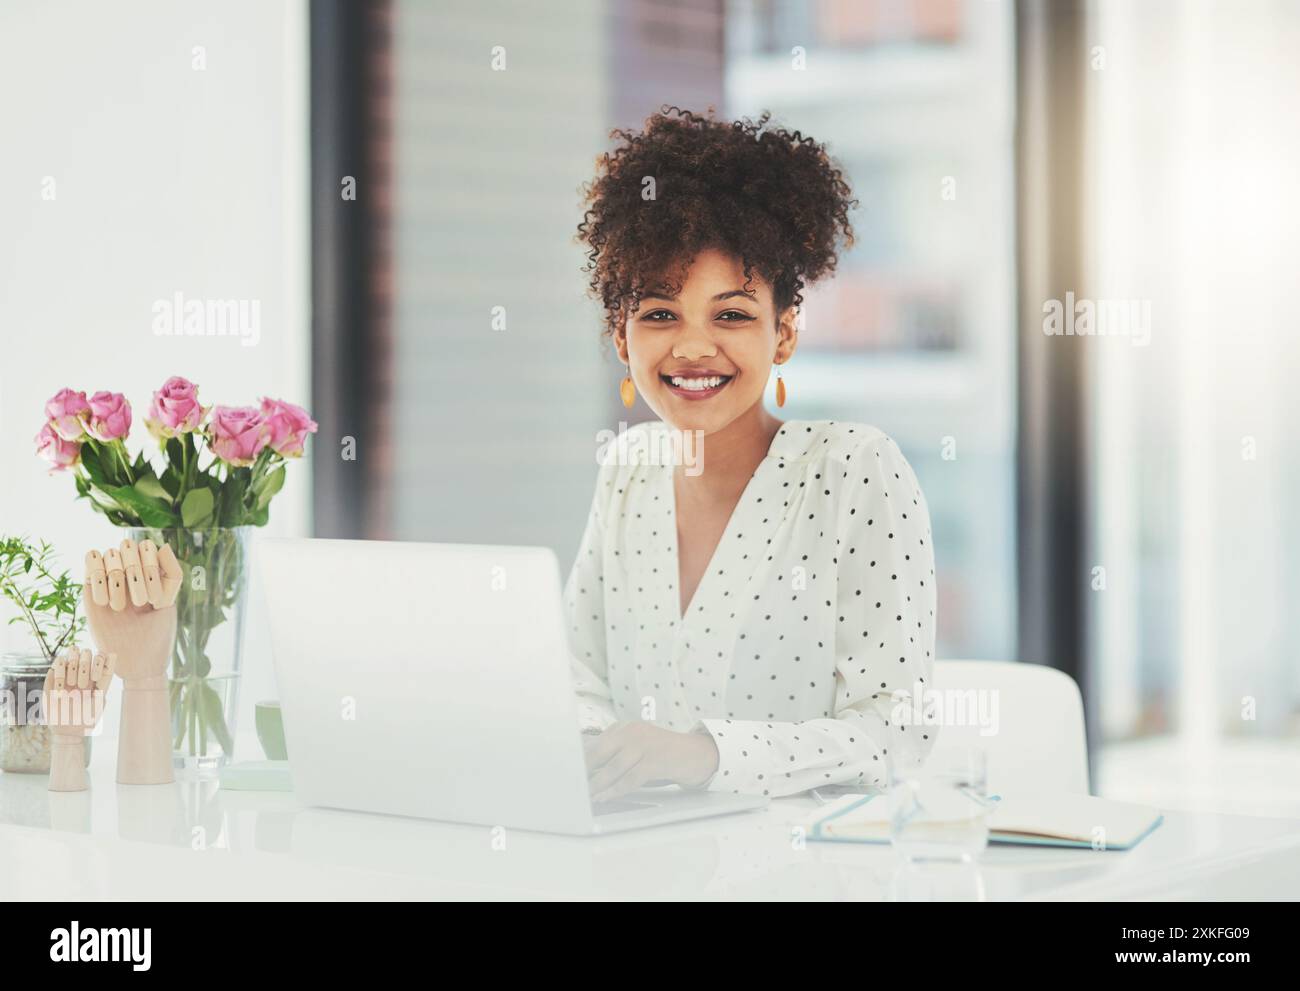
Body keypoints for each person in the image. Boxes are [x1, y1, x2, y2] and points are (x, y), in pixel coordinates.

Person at [570, 107, 938, 803]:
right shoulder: (627, 470)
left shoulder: (855, 470)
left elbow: (898, 730)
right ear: (622, 337)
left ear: (785, 332)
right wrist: (595, 750)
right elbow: (574, 677)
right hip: (641, 858)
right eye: (659, 313)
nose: (692, 347)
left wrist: (707, 755)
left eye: (731, 314)